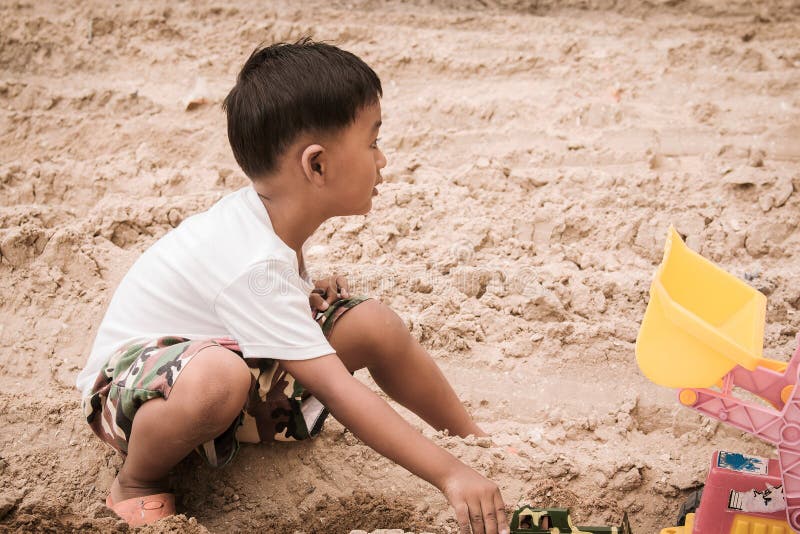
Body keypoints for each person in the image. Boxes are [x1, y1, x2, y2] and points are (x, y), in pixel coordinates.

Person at [76, 38, 509, 534]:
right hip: (128, 399)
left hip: (218, 377)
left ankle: (473, 436)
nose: (383, 160)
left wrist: (300, 296)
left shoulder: (272, 231)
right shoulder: (252, 262)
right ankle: (136, 483)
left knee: (372, 324)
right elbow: (338, 390)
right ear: (317, 165)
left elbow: (257, 304)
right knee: (220, 378)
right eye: (372, 142)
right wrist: (449, 476)